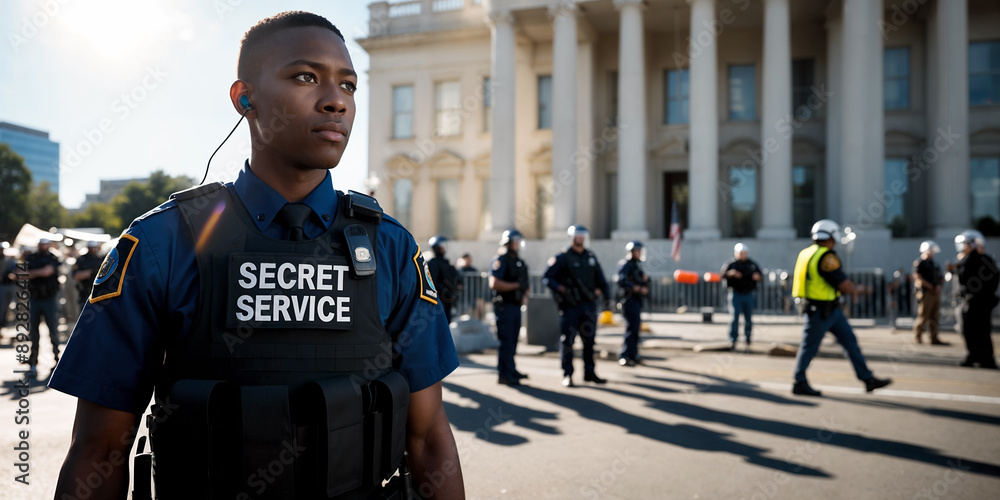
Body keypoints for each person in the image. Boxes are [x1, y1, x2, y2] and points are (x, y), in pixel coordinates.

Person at [49, 12, 464, 499]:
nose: (336, 101)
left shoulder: (390, 248)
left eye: (348, 85)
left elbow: (429, 436)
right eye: (306, 77)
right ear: (245, 97)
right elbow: (98, 452)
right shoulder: (162, 243)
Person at [789, 219, 892, 396]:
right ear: (831, 236)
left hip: (827, 310)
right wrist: (858, 289)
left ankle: (867, 379)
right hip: (821, 311)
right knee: (810, 347)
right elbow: (843, 284)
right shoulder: (827, 256)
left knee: (849, 341)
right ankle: (799, 381)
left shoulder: (806, 253)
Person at [544, 225, 609, 387]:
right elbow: (547, 277)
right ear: (572, 238)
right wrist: (561, 289)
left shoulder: (590, 257)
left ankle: (589, 372)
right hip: (570, 306)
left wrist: (605, 296)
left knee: (589, 341)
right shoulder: (562, 258)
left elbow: (601, 280)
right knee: (568, 342)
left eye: (582, 236)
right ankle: (568, 374)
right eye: (577, 236)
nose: (580, 239)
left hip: (588, 306)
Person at [9, 238, 62, 378]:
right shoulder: (31, 257)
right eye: (42, 244)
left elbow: (47, 272)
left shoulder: (53, 257)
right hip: (35, 299)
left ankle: (57, 362)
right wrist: (36, 273)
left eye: (46, 244)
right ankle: (33, 364)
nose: (44, 246)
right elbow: (18, 274)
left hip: (49, 299)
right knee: (33, 333)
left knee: (53, 333)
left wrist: (32, 273)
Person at [952, 230, 999, 369]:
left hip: (973, 301)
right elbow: (995, 279)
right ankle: (986, 358)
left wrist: (957, 267)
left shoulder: (969, 259)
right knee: (984, 330)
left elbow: (963, 279)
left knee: (970, 330)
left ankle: (974, 356)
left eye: (966, 244)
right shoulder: (988, 259)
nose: (963, 247)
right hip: (986, 301)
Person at [489, 229, 530, 385]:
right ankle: (504, 374)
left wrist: (524, 293)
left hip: (516, 305)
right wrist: (516, 286)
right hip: (504, 306)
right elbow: (494, 283)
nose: (518, 245)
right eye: (515, 242)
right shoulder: (501, 260)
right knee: (505, 341)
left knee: (513, 340)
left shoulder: (519, 261)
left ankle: (511, 369)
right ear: (508, 243)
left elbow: (525, 283)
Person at [722, 242, 762, 351]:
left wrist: (757, 277)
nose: (742, 255)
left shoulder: (752, 264)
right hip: (736, 294)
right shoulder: (731, 264)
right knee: (734, 317)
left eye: (744, 253)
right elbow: (723, 275)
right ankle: (733, 339)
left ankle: (747, 339)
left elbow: (760, 276)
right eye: (740, 253)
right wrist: (732, 273)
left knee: (748, 318)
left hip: (748, 294)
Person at [616, 241, 649, 367]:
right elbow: (621, 280)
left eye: (640, 251)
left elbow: (641, 280)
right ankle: (624, 355)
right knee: (631, 329)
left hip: (637, 300)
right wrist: (636, 288)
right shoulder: (625, 264)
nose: (639, 253)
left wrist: (645, 282)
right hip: (628, 301)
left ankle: (634, 355)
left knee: (635, 329)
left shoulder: (637, 265)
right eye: (637, 251)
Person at [912, 240, 947, 345]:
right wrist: (930, 287)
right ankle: (918, 336)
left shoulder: (934, 263)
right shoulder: (920, 263)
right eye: (930, 250)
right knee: (924, 315)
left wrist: (939, 286)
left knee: (935, 315)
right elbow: (918, 277)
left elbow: (941, 277)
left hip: (936, 292)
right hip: (926, 292)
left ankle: (934, 337)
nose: (932, 252)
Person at [427, 234, 462, 324]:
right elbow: (433, 282)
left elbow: (456, 276)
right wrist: (446, 291)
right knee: (439, 323)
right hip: (439, 300)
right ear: (436, 247)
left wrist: (458, 285)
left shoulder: (446, 262)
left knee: (447, 322)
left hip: (448, 300)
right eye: (442, 245)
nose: (445, 248)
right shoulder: (432, 263)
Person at [71, 241, 104, 309]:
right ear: (88, 248)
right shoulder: (81, 260)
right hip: (85, 293)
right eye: (91, 247)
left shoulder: (101, 259)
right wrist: (91, 273)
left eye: (95, 247)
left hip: (99, 293)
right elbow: (76, 276)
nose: (93, 249)